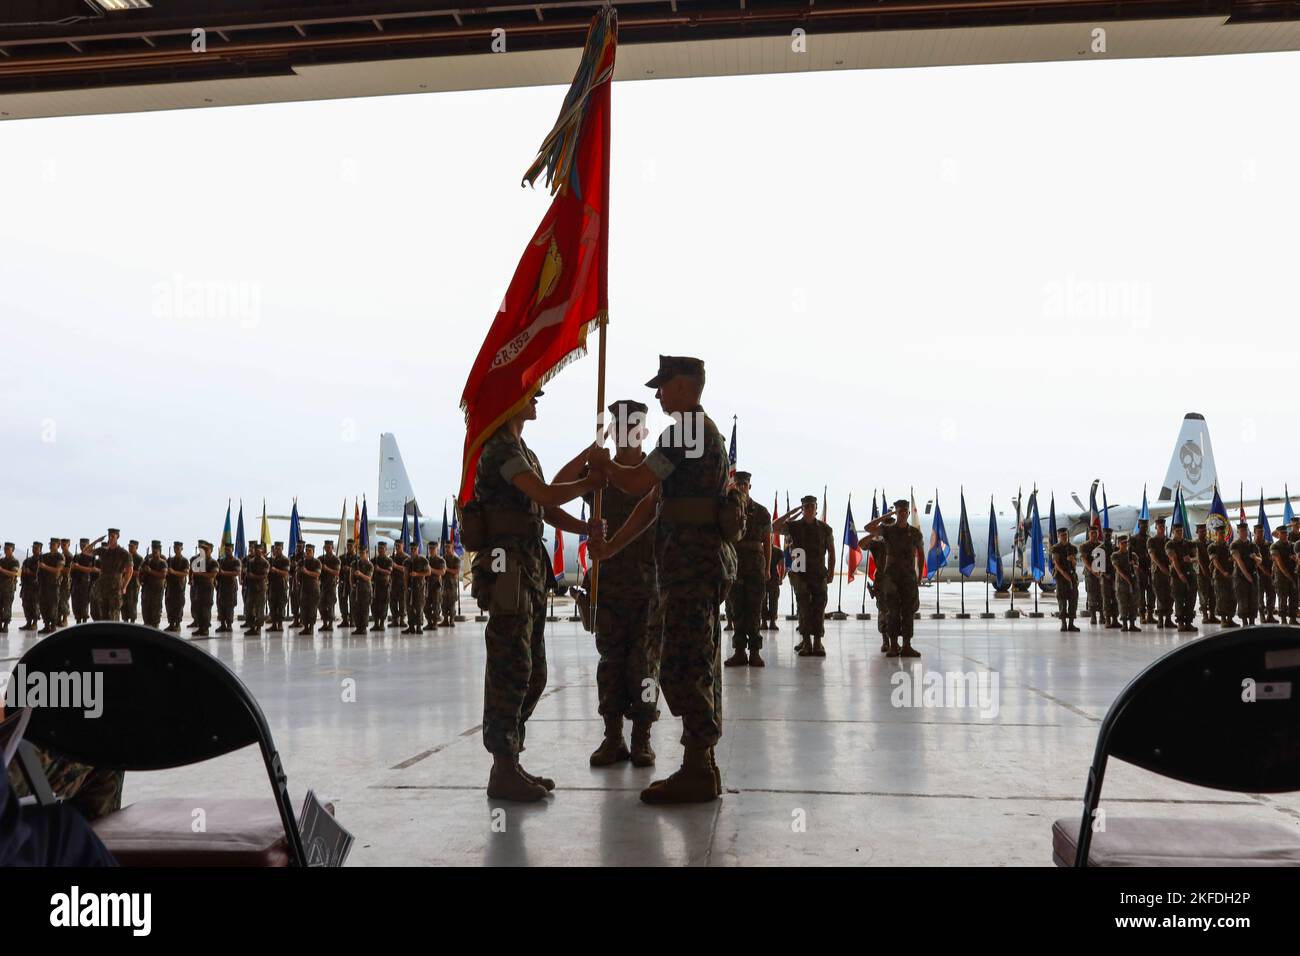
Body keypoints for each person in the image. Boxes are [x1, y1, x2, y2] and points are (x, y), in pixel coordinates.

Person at [587, 356, 734, 804]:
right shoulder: (699, 433)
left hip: (691, 570)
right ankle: (701, 766)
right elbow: (653, 501)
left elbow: (636, 483)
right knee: (693, 662)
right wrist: (611, 548)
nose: (657, 394)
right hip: (692, 568)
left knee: (684, 665)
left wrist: (605, 465)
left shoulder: (688, 430)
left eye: (664, 385)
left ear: (687, 386)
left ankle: (697, 769)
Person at [468, 386, 599, 802]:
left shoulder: (523, 450)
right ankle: (502, 766)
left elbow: (542, 509)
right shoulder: (500, 450)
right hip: (508, 570)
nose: (537, 398)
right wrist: (588, 483)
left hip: (527, 570)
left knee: (534, 672)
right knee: (512, 666)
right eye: (530, 394)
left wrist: (584, 529)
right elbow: (544, 494)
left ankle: (511, 758)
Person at [558, 398, 663, 767]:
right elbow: (557, 486)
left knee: (645, 667)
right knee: (611, 664)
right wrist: (589, 456)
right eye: (619, 428)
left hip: (648, 588)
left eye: (633, 428)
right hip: (609, 586)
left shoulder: (655, 473)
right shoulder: (600, 475)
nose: (626, 435)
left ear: (644, 432)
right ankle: (613, 736)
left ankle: (643, 738)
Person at [773, 495, 834, 657]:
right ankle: (806, 642)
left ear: (816, 508)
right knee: (804, 607)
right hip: (800, 574)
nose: (808, 509)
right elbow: (774, 527)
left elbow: (832, 551)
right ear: (802, 509)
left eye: (811, 506)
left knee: (819, 607)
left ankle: (818, 643)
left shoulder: (825, 529)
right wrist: (791, 513)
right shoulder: (794, 526)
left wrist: (832, 571)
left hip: (819, 573)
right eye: (805, 507)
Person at [861, 501, 925, 657]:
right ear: (896, 513)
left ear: (908, 513)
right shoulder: (888, 530)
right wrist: (887, 515)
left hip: (908, 578)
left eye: (905, 511)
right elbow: (868, 528)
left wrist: (919, 576)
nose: (903, 513)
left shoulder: (915, 533)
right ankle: (894, 645)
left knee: (908, 612)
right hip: (891, 579)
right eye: (899, 511)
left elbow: (921, 554)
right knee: (892, 612)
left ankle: (907, 645)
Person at [723, 472, 771, 667]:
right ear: (734, 485)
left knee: (754, 609)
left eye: (745, 484)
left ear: (750, 487)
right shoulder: (728, 509)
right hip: (735, 563)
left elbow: (767, 542)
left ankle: (755, 652)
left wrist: (768, 567)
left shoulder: (761, 511)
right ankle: (739, 651)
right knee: (736, 609)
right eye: (739, 483)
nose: (742, 487)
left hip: (755, 566)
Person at [90, 529, 132, 623]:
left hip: (115, 587)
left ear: (117, 537)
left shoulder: (124, 553)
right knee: (103, 614)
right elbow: (85, 552)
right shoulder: (103, 551)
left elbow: (130, 571)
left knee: (113, 614)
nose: (111, 538)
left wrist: (124, 586)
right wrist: (97, 541)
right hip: (103, 586)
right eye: (109, 536)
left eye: (113, 536)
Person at [1166, 522, 1198, 632]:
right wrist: (1180, 574)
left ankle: (1188, 622)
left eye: (1181, 531)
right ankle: (1180, 622)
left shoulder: (1189, 544)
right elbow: (1173, 560)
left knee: (1191, 599)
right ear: (1173, 532)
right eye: (1177, 531)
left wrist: (1191, 559)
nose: (1180, 533)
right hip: (1177, 576)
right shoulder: (1170, 545)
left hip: (1190, 574)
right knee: (1179, 599)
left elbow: (1196, 558)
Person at [1049, 527, 1079, 632]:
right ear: (1058, 536)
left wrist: (1072, 560)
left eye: (1065, 535)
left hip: (1072, 576)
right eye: (1062, 535)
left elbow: (1075, 563)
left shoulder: (1072, 548)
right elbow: (1056, 563)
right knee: (1062, 600)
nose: (1064, 537)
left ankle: (1071, 623)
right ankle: (1063, 624)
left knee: (1073, 600)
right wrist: (1063, 573)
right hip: (1061, 577)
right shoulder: (1056, 548)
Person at [1147, 518, 1172, 629]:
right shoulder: (1152, 541)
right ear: (1156, 527)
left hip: (1169, 572)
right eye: (1159, 527)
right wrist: (1163, 569)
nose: (1161, 529)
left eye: (1163, 527)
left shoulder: (1168, 541)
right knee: (1160, 596)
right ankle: (1160, 619)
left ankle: (1168, 619)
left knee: (1170, 596)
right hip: (1158, 572)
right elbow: (1153, 557)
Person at [1230, 523, 1257, 626]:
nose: (1244, 533)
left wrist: (1255, 558)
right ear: (1238, 532)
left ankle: (1252, 622)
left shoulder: (1252, 545)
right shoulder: (1234, 545)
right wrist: (1247, 576)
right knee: (1243, 600)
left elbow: (1260, 559)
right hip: (1240, 577)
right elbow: (1238, 560)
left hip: (1253, 576)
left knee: (1253, 600)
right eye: (1241, 531)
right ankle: (1245, 623)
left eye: (1245, 531)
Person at [1113, 534, 1141, 632]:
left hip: (1133, 582)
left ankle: (1132, 624)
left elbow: (1138, 568)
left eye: (1126, 543)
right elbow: (1118, 569)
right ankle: (1124, 624)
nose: (1125, 545)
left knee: (1133, 603)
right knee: (1123, 603)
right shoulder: (1115, 555)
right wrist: (1127, 580)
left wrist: (1134, 565)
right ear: (1119, 544)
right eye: (1123, 543)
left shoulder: (1133, 555)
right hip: (1122, 584)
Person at [1211, 527, 1237, 627]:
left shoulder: (1228, 546)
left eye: (1223, 533)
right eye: (1220, 533)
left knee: (1232, 597)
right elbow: (1215, 561)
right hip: (1219, 576)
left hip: (1230, 575)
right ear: (1216, 534)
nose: (1222, 535)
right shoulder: (1213, 546)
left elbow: (1232, 558)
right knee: (1221, 597)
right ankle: (1223, 620)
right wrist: (1223, 572)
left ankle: (1230, 619)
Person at [190, 540, 217, 636]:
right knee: (198, 609)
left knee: (205, 609)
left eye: (206, 550)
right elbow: (193, 572)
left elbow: (213, 574)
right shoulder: (199, 561)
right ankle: (200, 627)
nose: (204, 551)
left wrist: (201, 573)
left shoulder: (213, 562)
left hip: (207, 589)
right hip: (198, 588)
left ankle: (205, 628)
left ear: (211, 551)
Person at [138, 540, 168, 629]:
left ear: (159, 551)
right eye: (153, 550)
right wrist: (142, 576)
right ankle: (147, 624)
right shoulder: (147, 561)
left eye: (156, 551)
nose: (154, 553)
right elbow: (140, 572)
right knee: (146, 608)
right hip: (147, 589)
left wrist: (150, 571)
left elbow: (163, 575)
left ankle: (155, 626)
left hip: (157, 589)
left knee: (156, 609)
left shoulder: (162, 562)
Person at [38, 536, 64, 634]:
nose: (51, 546)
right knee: (44, 605)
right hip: (44, 585)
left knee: (53, 606)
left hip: (53, 585)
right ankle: (46, 625)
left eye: (54, 544)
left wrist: (45, 566)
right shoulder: (44, 556)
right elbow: (40, 570)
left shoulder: (60, 557)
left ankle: (53, 626)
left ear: (58, 546)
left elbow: (57, 570)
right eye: (51, 544)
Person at [243, 542, 270, 637]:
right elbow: (248, 574)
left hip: (260, 589)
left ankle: (258, 628)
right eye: (256, 550)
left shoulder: (265, 562)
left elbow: (264, 575)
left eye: (259, 550)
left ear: (262, 551)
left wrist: (254, 576)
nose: (257, 552)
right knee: (249, 608)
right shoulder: (250, 561)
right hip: (251, 588)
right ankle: (251, 627)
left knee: (259, 609)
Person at [1272, 527, 1297, 626]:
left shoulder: (1292, 545)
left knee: (1294, 597)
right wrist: (1289, 576)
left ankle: (1293, 618)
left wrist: (1296, 559)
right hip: (1281, 577)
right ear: (1278, 534)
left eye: (1286, 533)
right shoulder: (1275, 546)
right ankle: (1283, 619)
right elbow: (1279, 563)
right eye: (1282, 533)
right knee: (1282, 598)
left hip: (1293, 575)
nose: (1285, 535)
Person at [403, 543, 430, 634]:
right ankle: (411, 626)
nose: (413, 550)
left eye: (415, 548)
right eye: (412, 549)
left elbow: (428, 573)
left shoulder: (423, 560)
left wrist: (417, 574)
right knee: (409, 608)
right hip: (410, 588)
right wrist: (406, 587)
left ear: (418, 549)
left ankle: (419, 626)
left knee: (419, 607)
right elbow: (405, 575)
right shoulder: (407, 561)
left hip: (419, 587)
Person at [215, 542, 241, 633]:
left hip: (231, 587)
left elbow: (236, 573)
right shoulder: (221, 560)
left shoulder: (236, 561)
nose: (226, 551)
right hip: (222, 587)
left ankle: (229, 625)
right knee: (221, 606)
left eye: (228, 550)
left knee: (229, 607)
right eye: (225, 550)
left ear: (232, 550)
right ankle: (222, 624)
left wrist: (224, 573)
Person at [1194, 524, 1218, 624]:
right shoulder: (1194, 543)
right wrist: (1203, 568)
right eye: (1201, 531)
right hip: (1200, 573)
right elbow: (1194, 557)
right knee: (1203, 594)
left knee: (1213, 595)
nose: (1203, 533)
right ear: (1197, 532)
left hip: (1211, 571)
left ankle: (1212, 615)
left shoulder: (1211, 543)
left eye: (1204, 531)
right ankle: (1205, 615)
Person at [1078, 527, 1102, 625]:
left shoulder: (1101, 545)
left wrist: (1100, 572)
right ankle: (1093, 616)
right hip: (1090, 574)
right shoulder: (1084, 546)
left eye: (1095, 533)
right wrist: (1092, 570)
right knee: (1091, 594)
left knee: (1101, 595)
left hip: (1100, 573)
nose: (1094, 535)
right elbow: (1084, 560)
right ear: (1089, 534)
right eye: (1092, 533)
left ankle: (1102, 616)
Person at [1254, 525, 1278, 624]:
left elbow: (1273, 558)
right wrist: (1265, 571)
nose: (1261, 534)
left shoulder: (1268, 544)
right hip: (1258, 575)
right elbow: (1256, 562)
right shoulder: (1252, 545)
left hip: (1270, 574)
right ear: (1254, 532)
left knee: (1271, 595)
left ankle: (1270, 615)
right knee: (1260, 597)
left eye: (1262, 531)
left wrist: (1272, 571)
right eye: (1259, 532)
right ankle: (1262, 616)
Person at [164, 540, 189, 632]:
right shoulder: (170, 560)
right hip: (170, 587)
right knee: (169, 605)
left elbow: (185, 573)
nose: (176, 550)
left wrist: (174, 572)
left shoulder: (184, 560)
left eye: (178, 548)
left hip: (179, 587)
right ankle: (171, 624)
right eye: (175, 548)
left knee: (178, 606)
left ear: (181, 549)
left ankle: (177, 624)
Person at [299, 543, 321, 635]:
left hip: (313, 588)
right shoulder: (302, 561)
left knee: (312, 608)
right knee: (304, 608)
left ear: (313, 552)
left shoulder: (317, 562)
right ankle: (305, 627)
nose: (307, 553)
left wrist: (307, 572)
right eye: (306, 551)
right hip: (304, 588)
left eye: (309, 551)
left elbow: (317, 574)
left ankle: (311, 627)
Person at [267, 541, 290, 632]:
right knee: (272, 605)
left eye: (279, 549)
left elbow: (285, 573)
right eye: (275, 549)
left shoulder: (285, 560)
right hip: (272, 585)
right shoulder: (272, 560)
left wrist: (276, 570)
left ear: (282, 549)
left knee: (280, 605)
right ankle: (273, 624)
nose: (277, 550)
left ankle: (280, 624)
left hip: (281, 585)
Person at [319, 540, 340, 633]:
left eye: (329, 547)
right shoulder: (320, 558)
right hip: (322, 585)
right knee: (321, 605)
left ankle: (330, 624)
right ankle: (324, 623)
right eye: (326, 547)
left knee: (330, 604)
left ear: (332, 548)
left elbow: (337, 572)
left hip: (331, 585)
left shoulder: (336, 559)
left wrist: (326, 568)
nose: (327, 549)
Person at [351, 546, 373, 635]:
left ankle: (363, 627)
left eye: (363, 553)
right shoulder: (355, 563)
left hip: (365, 590)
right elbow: (351, 575)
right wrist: (352, 584)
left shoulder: (369, 565)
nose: (361, 555)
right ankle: (358, 627)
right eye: (360, 553)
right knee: (356, 609)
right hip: (356, 590)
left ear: (366, 553)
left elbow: (368, 578)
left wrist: (360, 574)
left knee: (364, 609)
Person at [19, 542, 42, 631]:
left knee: (35, 605)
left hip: (36, 587)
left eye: (36, 548)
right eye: (33, 548)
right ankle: (28, 622)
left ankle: (35, 623)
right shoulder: (27, 560)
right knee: (26, 604)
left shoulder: (42, 560)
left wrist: (31, 572)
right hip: (27, 586)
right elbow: (23, 574)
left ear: (40, 549)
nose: (34, 550)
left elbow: (41, 574)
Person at [371, 542, 392, 630]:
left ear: (386, 550)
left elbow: (389, 572)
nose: (380, 550)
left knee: (383, 604)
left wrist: (379, 569)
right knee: (374, 604)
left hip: (384, 585)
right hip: (375, 585)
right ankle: (376, 623)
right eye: (379, 548)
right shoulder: (373, 560)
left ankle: (382, 623)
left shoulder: (388, 560)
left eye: (382, 549)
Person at [121, 540, 143, 624]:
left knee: (132, 603)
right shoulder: (125, 557)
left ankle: (132, 621)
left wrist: (128, 571)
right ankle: (125, 620)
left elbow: (139, 572)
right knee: (124, 603)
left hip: (134, 584)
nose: (130, 548)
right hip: (124, 583)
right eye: (129, 546)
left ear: (136, 547)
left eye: (132, 546)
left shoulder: (139, 558)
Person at [389, 540, 409, 630]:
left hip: (402, 582)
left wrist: (396, 566)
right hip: (393, 582)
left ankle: (402, 620)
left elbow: (406, 569)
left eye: (399, 546)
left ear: (403, 546)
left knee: (402, 602)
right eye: (396, 546)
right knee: (393, 602)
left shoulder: (406, 557)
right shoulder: (393, 557)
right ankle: (394, 619)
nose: (397, 548)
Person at [763, 541, 783, 631]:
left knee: (763, 601)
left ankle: (764, 622)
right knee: (773, 601)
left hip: (763, 577)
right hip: (773, 578)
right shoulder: (778, 551)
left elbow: (782, 565)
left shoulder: (760, 549)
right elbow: (782, 565)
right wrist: (781, 578)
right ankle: (772, 622)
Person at [441, 541, 461, 626]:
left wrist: (447, 569)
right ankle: (445, 620)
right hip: (444, 584)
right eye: (445, 547)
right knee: (444, 603)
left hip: (452, 584)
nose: (447, 549)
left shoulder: (456, 559)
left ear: (452, 548)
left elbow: (457, 571)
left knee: (452, 602)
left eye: (448, 547)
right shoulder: (442, 559)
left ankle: (452, 620)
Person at [0, 542, 19, 633]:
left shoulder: (15, 561)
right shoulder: (2, 560)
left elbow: (13, 574)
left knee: (7, 607)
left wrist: (1, 570)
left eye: (8, 549)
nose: (6, 550)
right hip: (1, 587)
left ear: (12, 550)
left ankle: (6, 625)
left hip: (8, 588)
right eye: (5, 549)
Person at [427, 542, 445, 626]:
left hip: (436, 585)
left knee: (435, 605)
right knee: (426, 606)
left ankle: (434, 623)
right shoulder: (427, 560)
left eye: (433, 549)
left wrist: (431, 570)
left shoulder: (440, 560)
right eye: (430, 548)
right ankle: (429, 622)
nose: (431, 550)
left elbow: (442, 572)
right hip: (427, 585)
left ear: (437, 549)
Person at [338, 539, 356, 624]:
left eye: (351, 546)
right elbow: (338, 570)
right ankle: (344, 619)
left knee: (353, 602)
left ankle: (352, 619)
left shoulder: (357, 558)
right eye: (348, 546)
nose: (349, 547)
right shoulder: (342, 558)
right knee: (342, 602)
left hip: (353, 583)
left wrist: (350, 569)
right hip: (343, 582)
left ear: (354, 546)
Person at [58, 538, 72, 627]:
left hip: (66, 581)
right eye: (62, 545)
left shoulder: (69, 556)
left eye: (64, 545)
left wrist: (59, 569)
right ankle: (58, 619)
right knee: (58, 600)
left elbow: (68, 570)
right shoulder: (60, 555)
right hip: (59, 581)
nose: (63, 546)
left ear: (68, 545)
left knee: (64, 600)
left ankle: (65, 619)